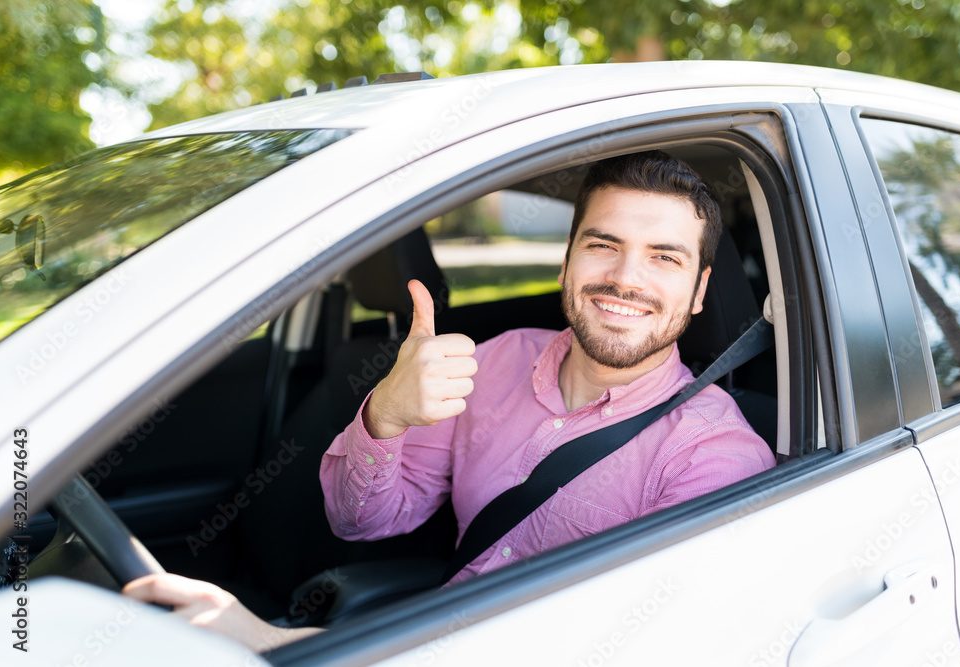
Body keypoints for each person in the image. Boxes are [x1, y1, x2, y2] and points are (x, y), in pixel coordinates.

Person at [124, 150, 775, 649]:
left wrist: (284, 646)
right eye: (603, 245)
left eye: (664, 258)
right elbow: (362, 523)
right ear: (567, 262)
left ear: (697, 290)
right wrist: (386, 415)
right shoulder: (492, 361)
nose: (625, 278)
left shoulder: (713, 457)